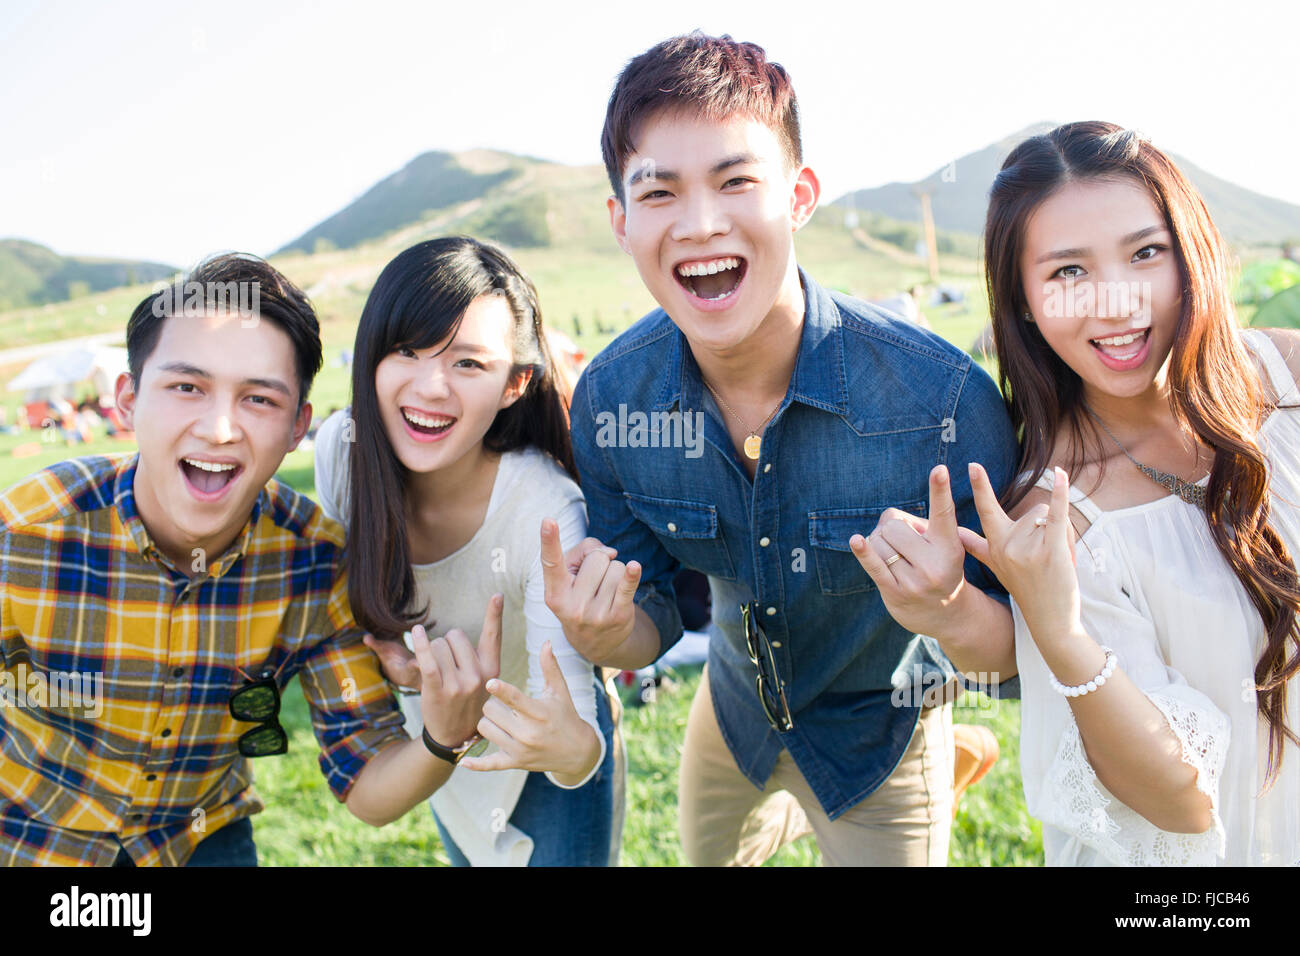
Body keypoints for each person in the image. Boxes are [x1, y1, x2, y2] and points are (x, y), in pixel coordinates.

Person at [545, 32, 1020, 866]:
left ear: (799, 195)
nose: (700, 223)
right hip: (732, 715)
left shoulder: (941, 402)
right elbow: (651, 621)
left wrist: (948, 612)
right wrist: (603, 635)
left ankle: (950, 755)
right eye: (659, 193)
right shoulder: (612, 402)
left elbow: (1018, 653)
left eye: (736, 181)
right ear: (621, 221)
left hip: (886, 739)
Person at [0, 253, 498, 866]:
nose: (219, 429)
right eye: (187, 387)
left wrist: (443, 739)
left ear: (297, 428)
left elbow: (368, 778)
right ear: (126, 401)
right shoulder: (22, 533)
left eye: (259, 400)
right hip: (30, 835)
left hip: (199, 837)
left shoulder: (315, 563)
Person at [965, 121, 1300, 865]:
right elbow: (1178, 802)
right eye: (1066, 273)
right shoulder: (1054, 514)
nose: (1115, 305)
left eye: (1145, 253)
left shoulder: (1288, 382)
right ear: (1021, 300)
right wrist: (1060, 631)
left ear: (1191, 256)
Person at [313, 237, 619, 867]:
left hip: (537, 758)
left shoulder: (544, 510)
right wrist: (401, 669)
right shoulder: (342, 453)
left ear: (515, 384)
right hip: (441, 740)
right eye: (406, 350)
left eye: (468, 364)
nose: (430, 386)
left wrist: (570, 745)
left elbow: (576, 735)